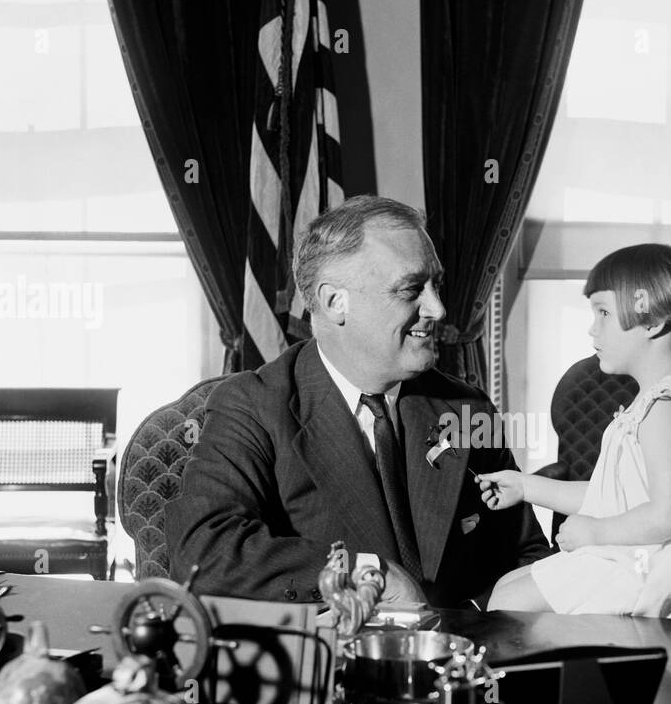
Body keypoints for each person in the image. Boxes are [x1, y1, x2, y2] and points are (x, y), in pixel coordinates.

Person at [166, 196, 548, 607]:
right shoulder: (251, 406)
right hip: (330, 661)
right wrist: (367, 573)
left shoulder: (466, 408)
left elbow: (526, 557)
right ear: (335, 303)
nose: (437, 308)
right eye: (411, 289)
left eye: (437, 285)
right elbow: (205, 552)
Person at [478, 244, 671, 622]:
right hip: (649, 558)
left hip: (657, 573)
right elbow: (614, 497)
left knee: (509, 602)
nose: (592, 327)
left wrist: (595, 533)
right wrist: (524, 487)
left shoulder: (665, 408)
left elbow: (669, 515)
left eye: (603, 312)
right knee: (507, 587)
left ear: (652, 322)